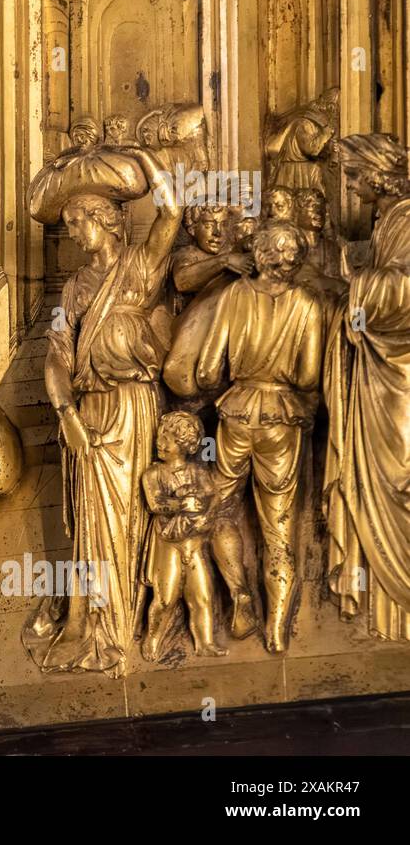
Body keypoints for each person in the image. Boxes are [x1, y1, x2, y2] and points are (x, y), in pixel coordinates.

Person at [25, 147, 180, 677]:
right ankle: (92, 622)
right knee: (94, 520)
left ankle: (126, 619)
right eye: (67, 223)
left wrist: (144, 157)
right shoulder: (73, 288)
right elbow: (56, 352)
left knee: (130, 512)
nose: (72, 232)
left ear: (108, 221)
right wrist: (66, 410)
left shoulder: (140, 266)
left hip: (134, 407)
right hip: (90, 413)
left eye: (78, 222)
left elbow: (173, 211)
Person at [196, 220, 325, 653]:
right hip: (281, 421)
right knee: (279, 529)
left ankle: (239, 595)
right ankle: (276, 628)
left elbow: (207, 369)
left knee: (222, 509)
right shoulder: (307, 304)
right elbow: (309, 376)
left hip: (235, 414)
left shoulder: (234, 295)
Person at [324, 133, 410, 641]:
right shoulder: (389, 219)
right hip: (383, 363)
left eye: (355, 176)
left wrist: (354, 279)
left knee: (399, 470)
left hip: (397, 368)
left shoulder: (405, 215)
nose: (352, 188)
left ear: (379, 173)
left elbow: (404, 288)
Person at [141, 412, 226, 660]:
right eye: (160, 437)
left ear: (185, 444)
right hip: (168, 544)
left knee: (202, 596)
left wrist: (204, 515)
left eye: (168, 439)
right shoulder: (153, 474)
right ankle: (153, 639)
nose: (161, 443)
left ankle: (205, 642)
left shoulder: (197, 472)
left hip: (195, 543)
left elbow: (213, 497)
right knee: (165, 598)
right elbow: (155, 504)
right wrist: (183, 504)